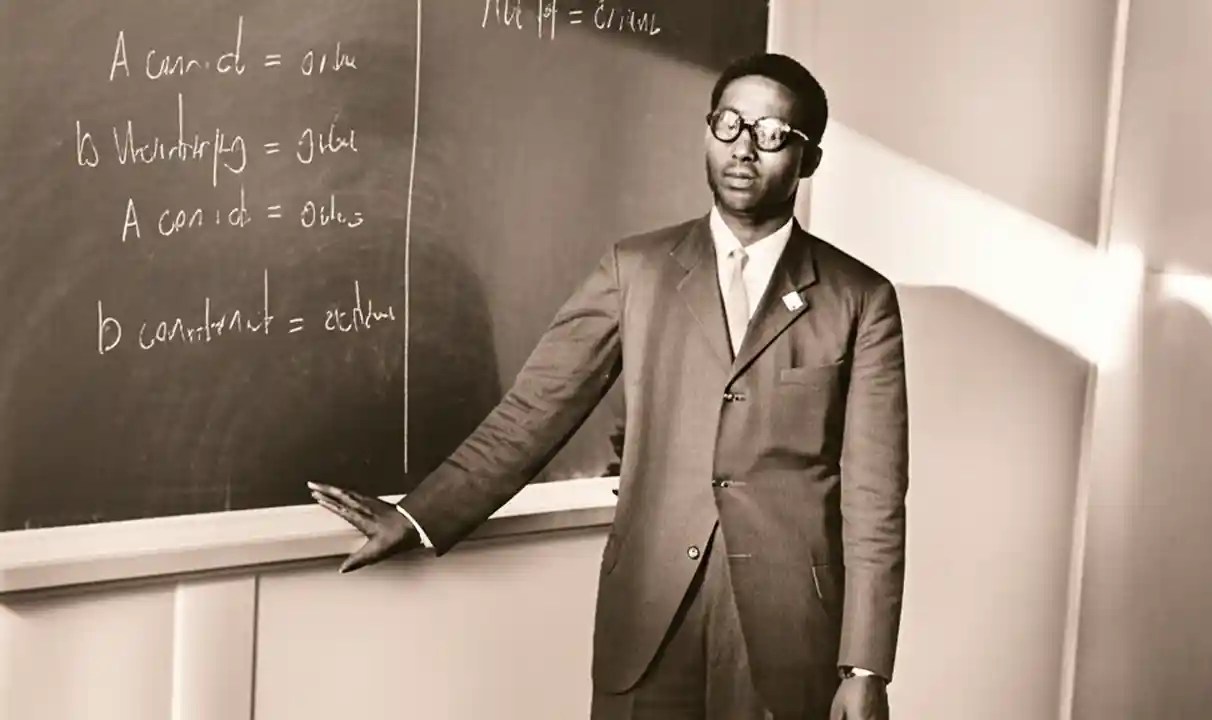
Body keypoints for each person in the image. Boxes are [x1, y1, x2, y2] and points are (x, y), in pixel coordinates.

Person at [310, 52, 908, 720]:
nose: (744, 149)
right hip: (648, 618)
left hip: (788, 636)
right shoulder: (637, 270)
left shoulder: (861, 299)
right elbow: (534, 411)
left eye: (771, 135)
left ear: (809, 158)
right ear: (707, 131)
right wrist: (418, 515)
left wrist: (865, 666)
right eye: (730, 125)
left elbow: (875, 495)